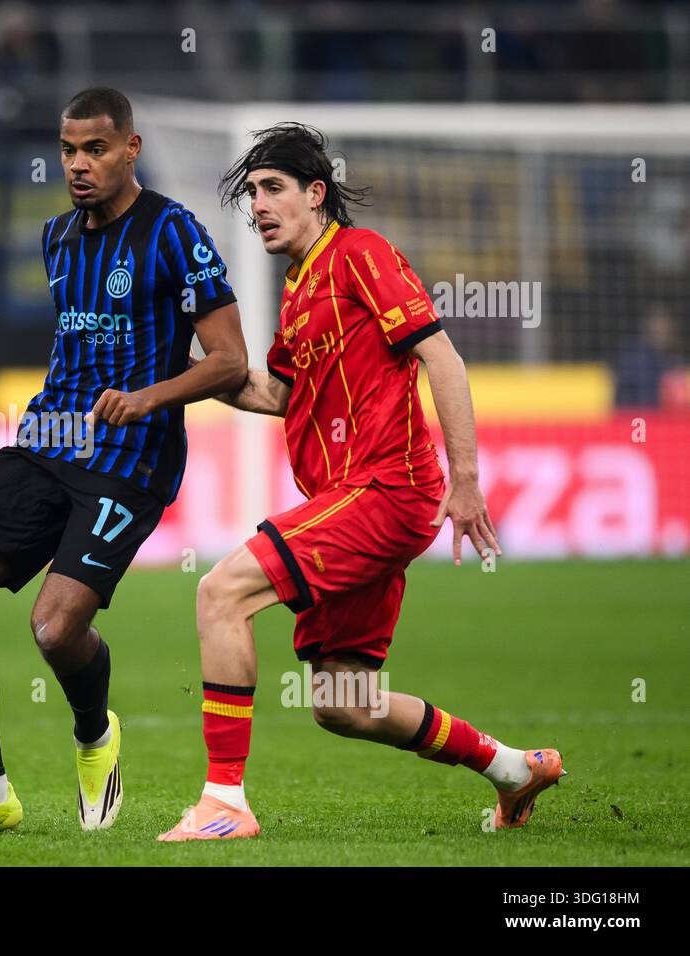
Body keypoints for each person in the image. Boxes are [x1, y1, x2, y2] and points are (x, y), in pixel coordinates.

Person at [158, 124, 564, 842]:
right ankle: (510, 768)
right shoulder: (300, 285)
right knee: (343, 702)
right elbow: (276, 393)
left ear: (317, 193)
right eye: (253, 193)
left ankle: (224, 802)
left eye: (273, 188)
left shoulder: (360, 254)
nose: (259, 205)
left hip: (388, 489)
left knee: (220, 592)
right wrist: (184, 363)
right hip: (348, 501)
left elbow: (443, 359)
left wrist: (464, 481)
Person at [0, 87, 248, 834]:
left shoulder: (173, 232)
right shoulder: (57, 238)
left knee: (55, 628)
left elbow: (229, 361)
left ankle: (96, 735)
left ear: (130, 148)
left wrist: (149, 395)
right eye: (68, 150)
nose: (78, 164)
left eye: (95, 149)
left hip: (132, 455)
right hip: (49, 439)